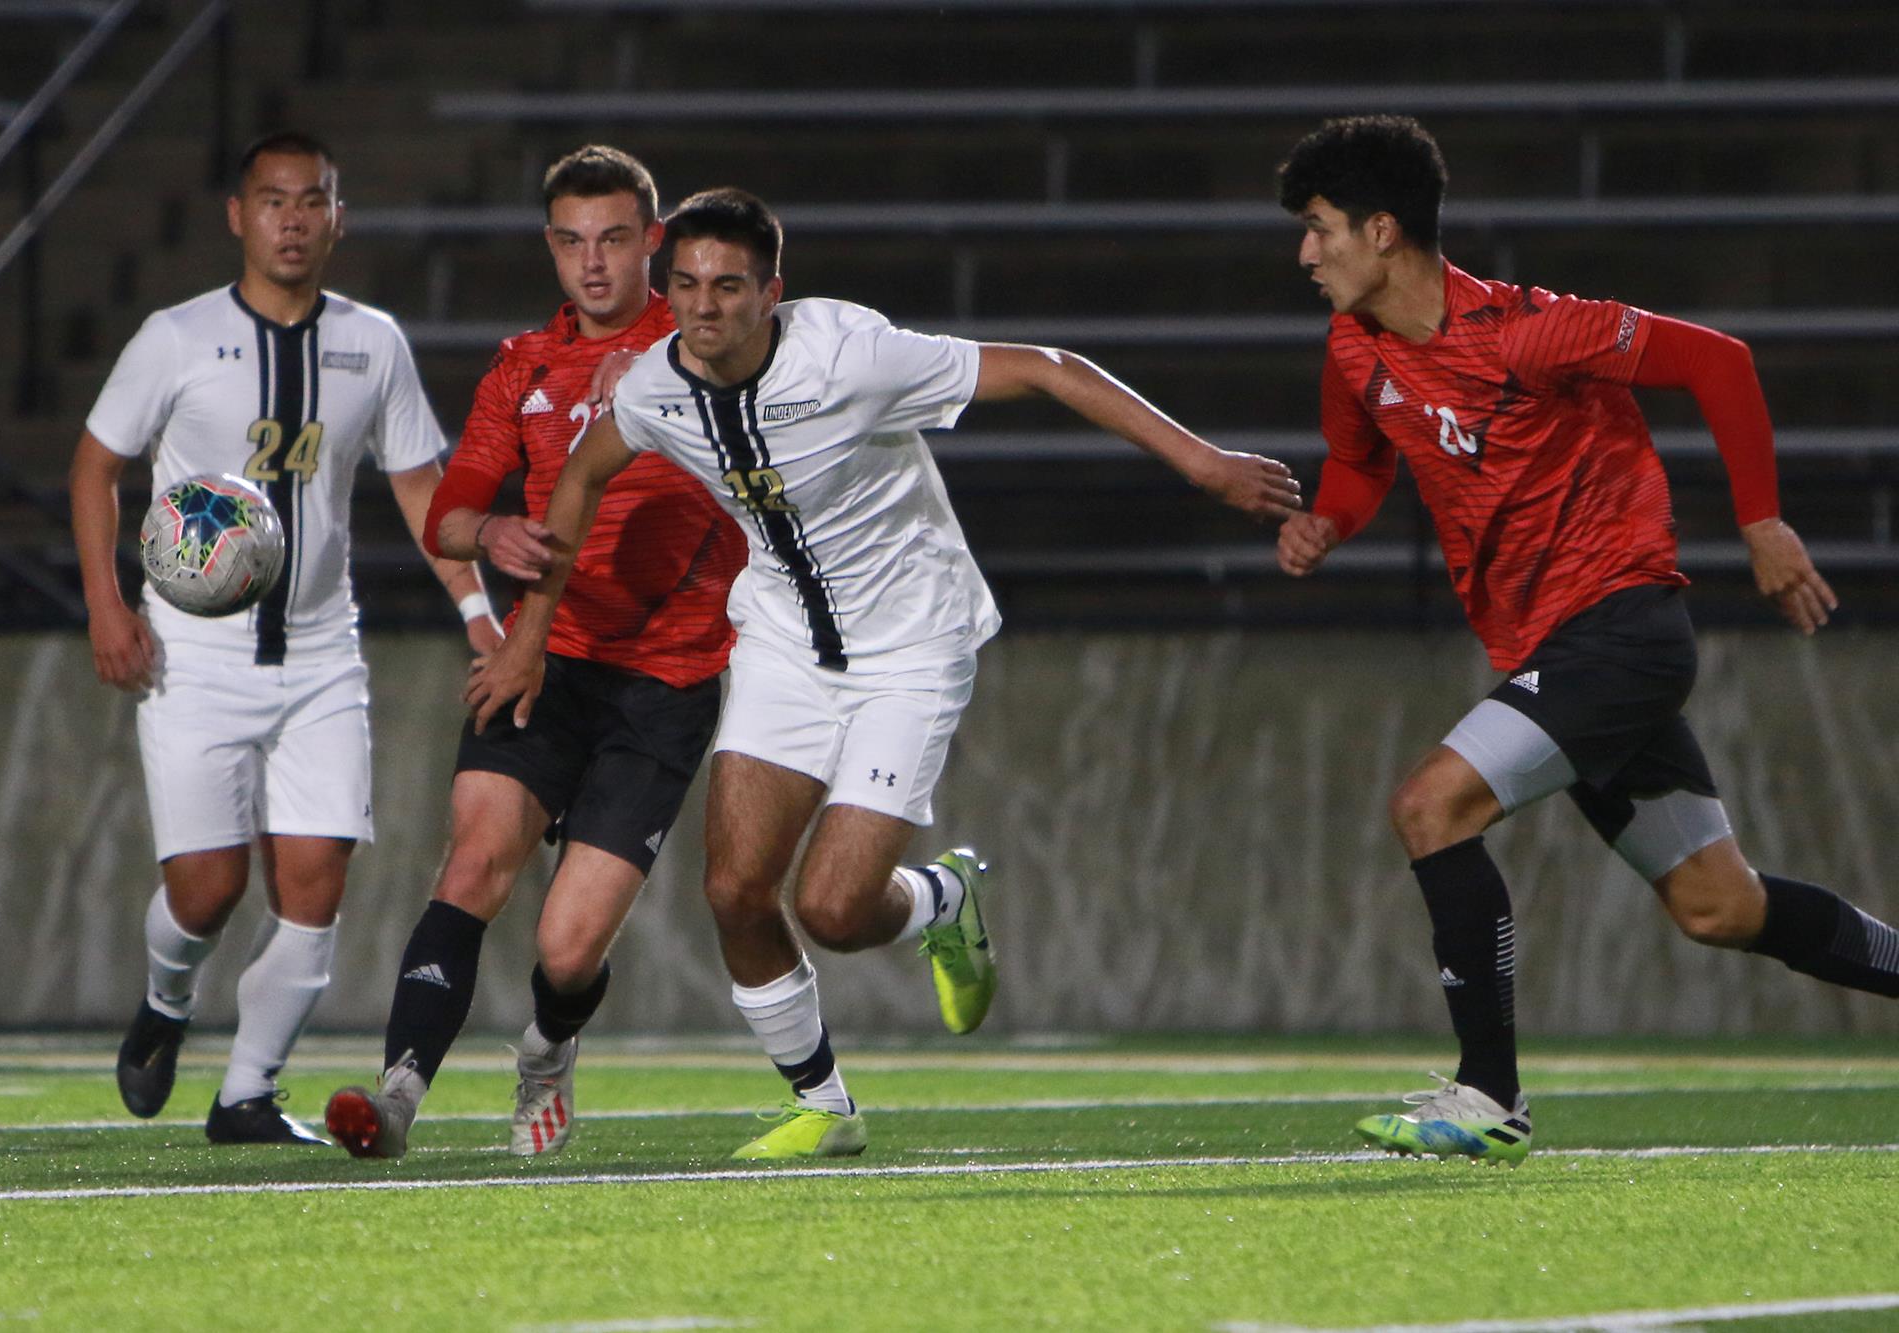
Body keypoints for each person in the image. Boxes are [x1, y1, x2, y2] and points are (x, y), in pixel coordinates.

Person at [467, 187, 1302, 1159]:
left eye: (729, 286)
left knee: (834, 909)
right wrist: (528, 634)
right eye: (687, 283)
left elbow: (1044, 367)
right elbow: (580, 473)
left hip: (910, 645)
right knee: (735, 891)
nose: (703, 306)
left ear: (770, 292)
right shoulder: (655, 388)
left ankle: (942, 901)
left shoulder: (850, 355)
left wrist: (1200, 464)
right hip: (782, 646)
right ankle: (823, 1103)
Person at [1273, 115, 1899, 1166]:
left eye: (1318, 228)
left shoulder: (1529, 330)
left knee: (1429, 806)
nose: (1304, 252)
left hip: (1617, 629)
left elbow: (1719, 362)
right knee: (1717, 906)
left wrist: (1758, 522)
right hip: (1551, 651)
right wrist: (1327, 521)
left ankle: (1489, 1097)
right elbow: (1361, 464)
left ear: (1381, 231)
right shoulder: (1353, 352)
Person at [69, 131, 496, 1145]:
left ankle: (247, 1095)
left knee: (313, 884)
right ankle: (167, 1001)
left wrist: (478, 610)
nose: (293, 219)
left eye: (313, 201)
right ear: (237, 215)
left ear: (338, 217)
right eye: (273, 201)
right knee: (206, 890)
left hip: (318, 654)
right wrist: (105, 603)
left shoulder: (373, 342)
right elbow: (94, 467)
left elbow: (419, 486)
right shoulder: (174, 337)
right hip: (192, 654)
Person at [322, 146, 747, 1160]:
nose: (592, 264)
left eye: (613, 240)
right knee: (472, 859)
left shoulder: (700, 341)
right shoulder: (523, 367)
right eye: (570, 241)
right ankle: (394, 1094)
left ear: (652, 241)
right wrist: (490, 534)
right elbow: (453, 507)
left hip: (665, 679)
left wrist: (648, 383)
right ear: (549, 247)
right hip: (541, 661)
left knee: (565, 948)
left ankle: (548, 1048)